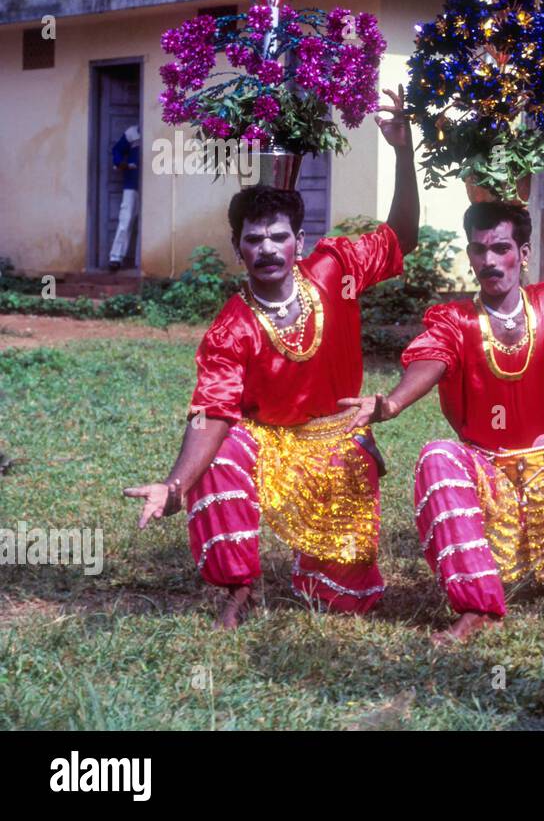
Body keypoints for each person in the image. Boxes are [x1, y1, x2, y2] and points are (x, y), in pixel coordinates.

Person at [126, 88, 419, 629]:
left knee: (341, 599)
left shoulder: (337, 268)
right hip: (267, 443)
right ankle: (239, 587)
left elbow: (403, 236)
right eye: (254, 239)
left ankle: (323, 574)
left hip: (336, 442)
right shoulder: (229, 328)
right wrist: (175, 484)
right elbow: (213, 411)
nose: (266, 249)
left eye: (278, 237)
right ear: (239, 248)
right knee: (221, 452)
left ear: (299, 243)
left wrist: (403, 152)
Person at [339, 167, 544, 645]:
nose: (489, 261)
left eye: (501, 249)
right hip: (486, 484)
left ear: (523, 254)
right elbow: (430, 357)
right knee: (438, 456)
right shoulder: (455, 320)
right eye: (478, 249)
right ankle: (478, 607)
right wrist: (392, 403)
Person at [108, 125, 142, 270]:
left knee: (148, 224)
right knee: (125, 220)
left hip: (153, 186)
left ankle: (141, 261)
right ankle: (116, 257)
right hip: (132, 184)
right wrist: (121, 163)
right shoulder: (132, 132)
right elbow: (117, 150)